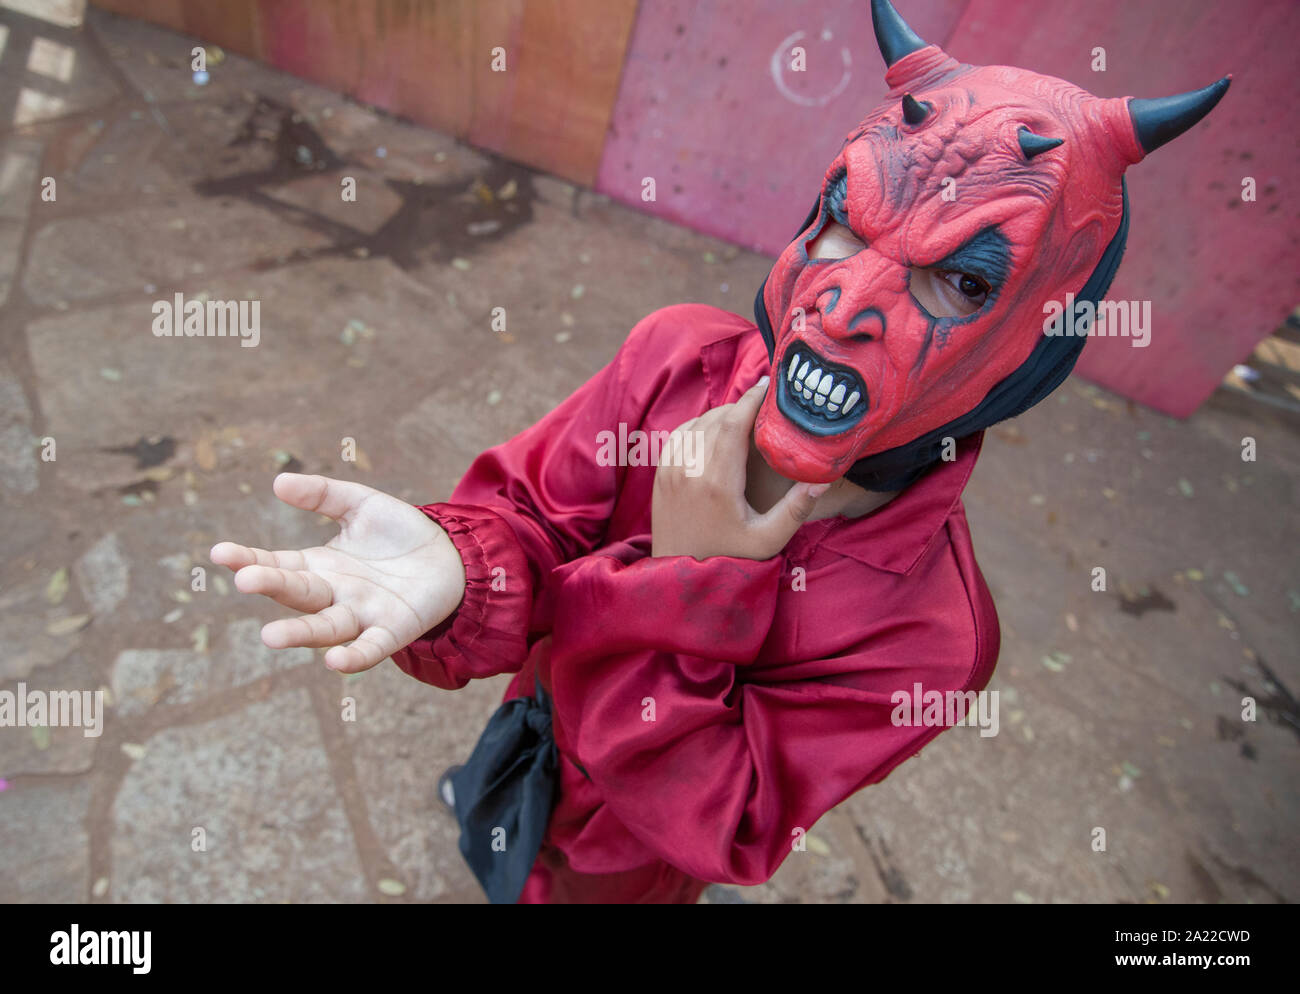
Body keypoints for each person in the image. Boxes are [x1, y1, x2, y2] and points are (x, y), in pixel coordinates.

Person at [211, 0, 1229, 903]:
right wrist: (458, 565)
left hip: (628, 860)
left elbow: (729, 818)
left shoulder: (932, 638)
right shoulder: (675, 356)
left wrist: (691, 583)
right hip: (538, 721)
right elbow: (534, 517)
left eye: (959, 281)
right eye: (845, 220)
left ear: (1033, 345)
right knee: (498, 801)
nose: (843, 306)